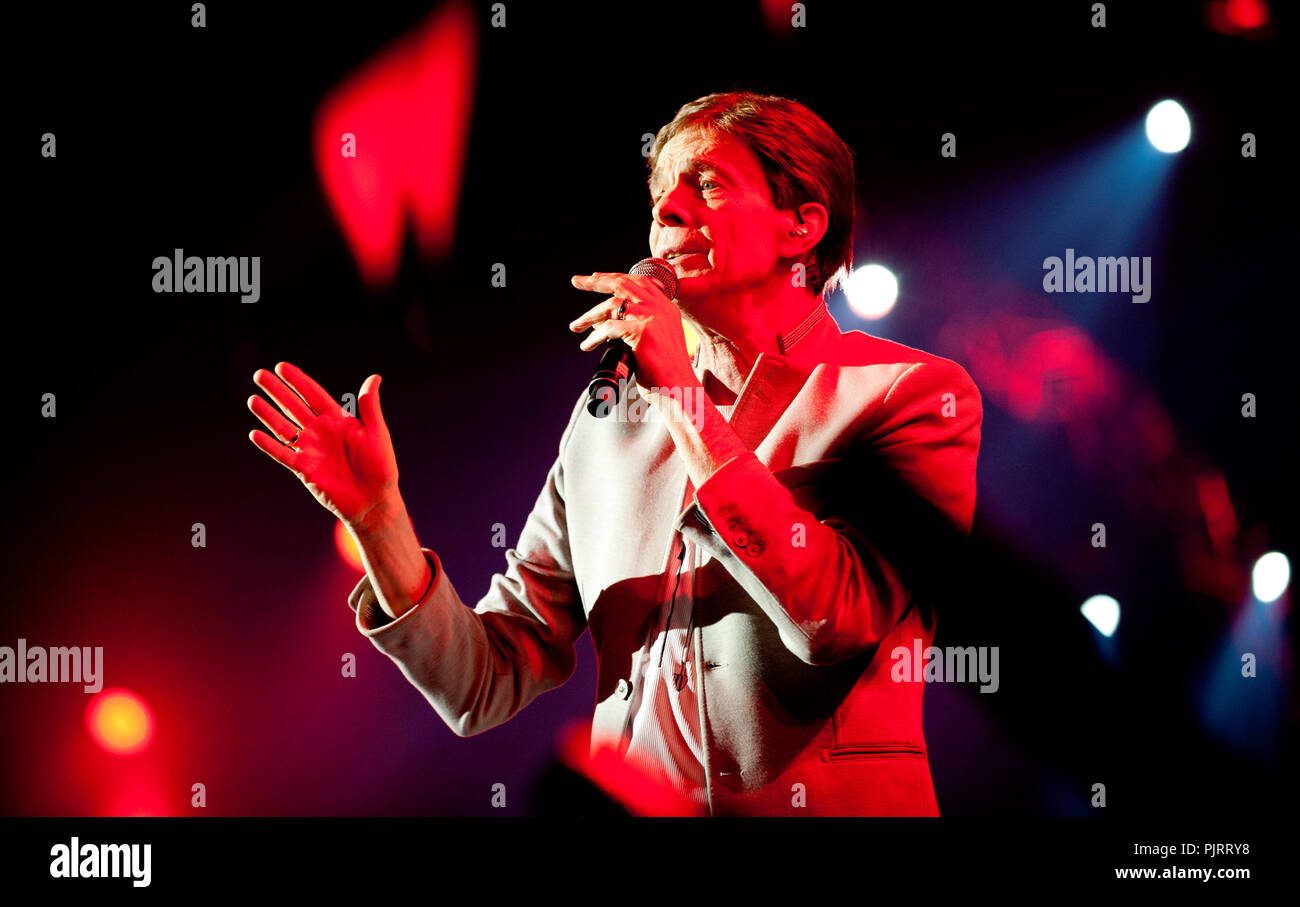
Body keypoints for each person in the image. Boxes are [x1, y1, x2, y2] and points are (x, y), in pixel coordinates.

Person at [247, 91, 982, 816]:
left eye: (707, 184)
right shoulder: (608, 424)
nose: (667, 211)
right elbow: (484, 682)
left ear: (801, 225)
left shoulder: (906, 394)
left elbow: (839, 620)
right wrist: (379, 518)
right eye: (660, 193)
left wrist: (683, 400)